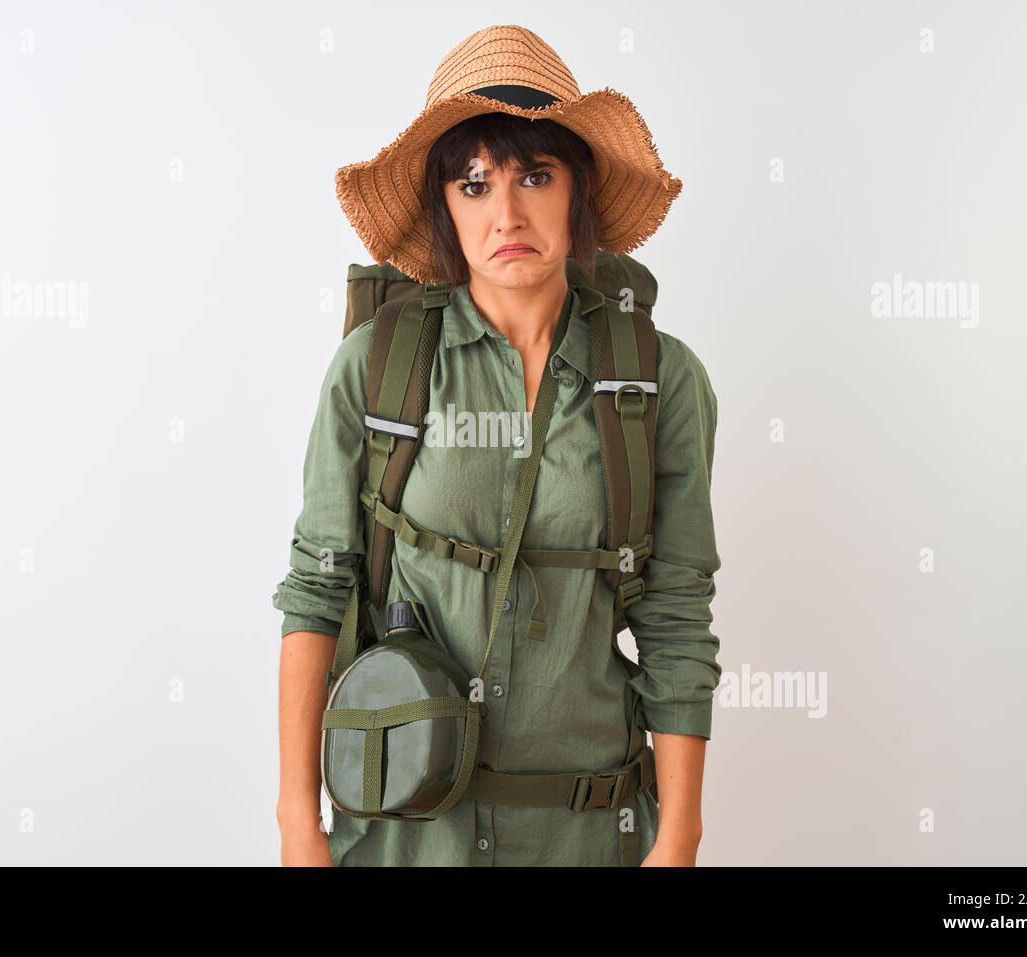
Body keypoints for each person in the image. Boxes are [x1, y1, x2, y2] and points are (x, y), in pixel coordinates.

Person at [272, 24, 721, 866]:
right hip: (405, 833)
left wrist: (680, 837)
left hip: (590, 834)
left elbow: (676, 612)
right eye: (474, 183)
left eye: (534, 176)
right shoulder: (378, 369)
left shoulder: (662, 381)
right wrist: (299, 822)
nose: (507, 213)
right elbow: (317, 586)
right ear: (444, 204)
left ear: (577, 189)